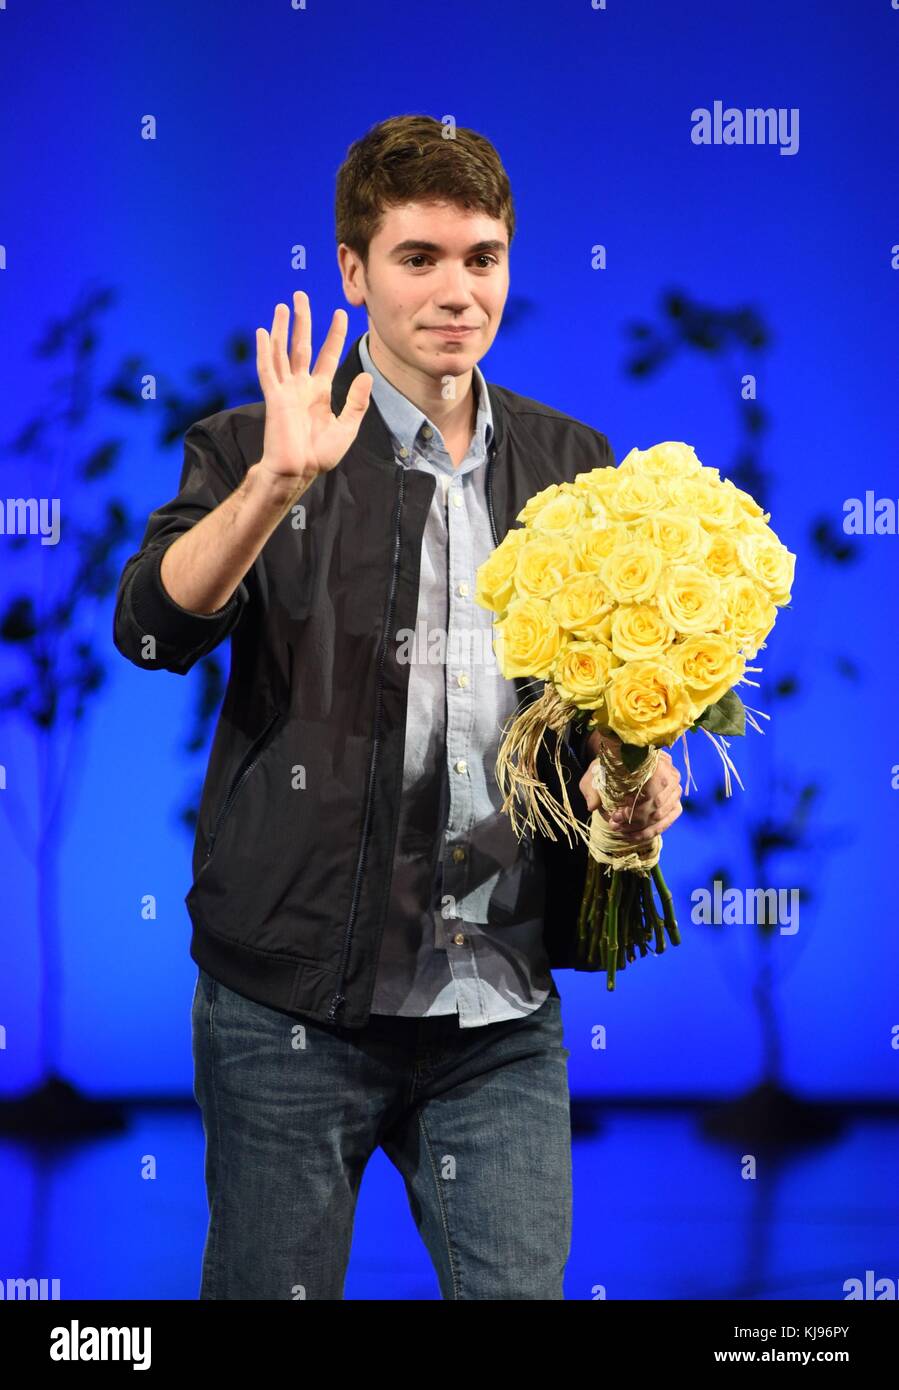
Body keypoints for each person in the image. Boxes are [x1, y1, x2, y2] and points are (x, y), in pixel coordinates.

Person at [113, 114, 683, 1300]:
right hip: (292, 1008)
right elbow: (154, 628)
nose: (456, 290)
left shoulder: (569, 461)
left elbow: (584, 716)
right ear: (354, 272)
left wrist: (627, 775)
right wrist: (274, 488)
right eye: (417, 258)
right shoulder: (255, 447)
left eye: (482, 257)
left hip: (498, 1008)